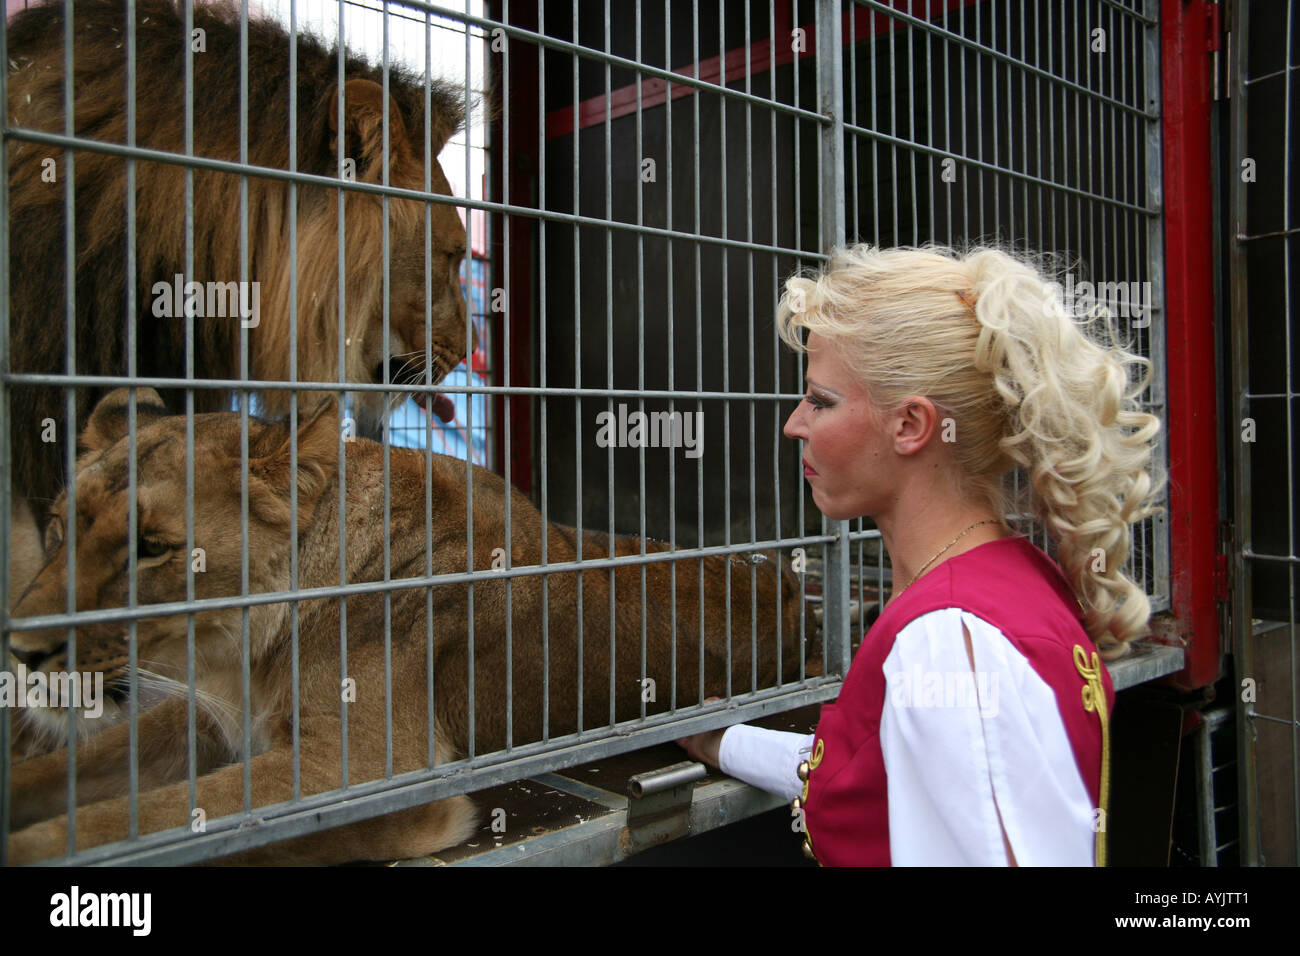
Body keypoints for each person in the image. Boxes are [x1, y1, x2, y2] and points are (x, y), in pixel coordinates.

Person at [677, 244, 1162, 866]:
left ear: (911, 425)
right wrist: (724, 744)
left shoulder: (952, 639)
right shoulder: (1005, 583)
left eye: (821, 401)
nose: (794, 423)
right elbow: (882, 773)